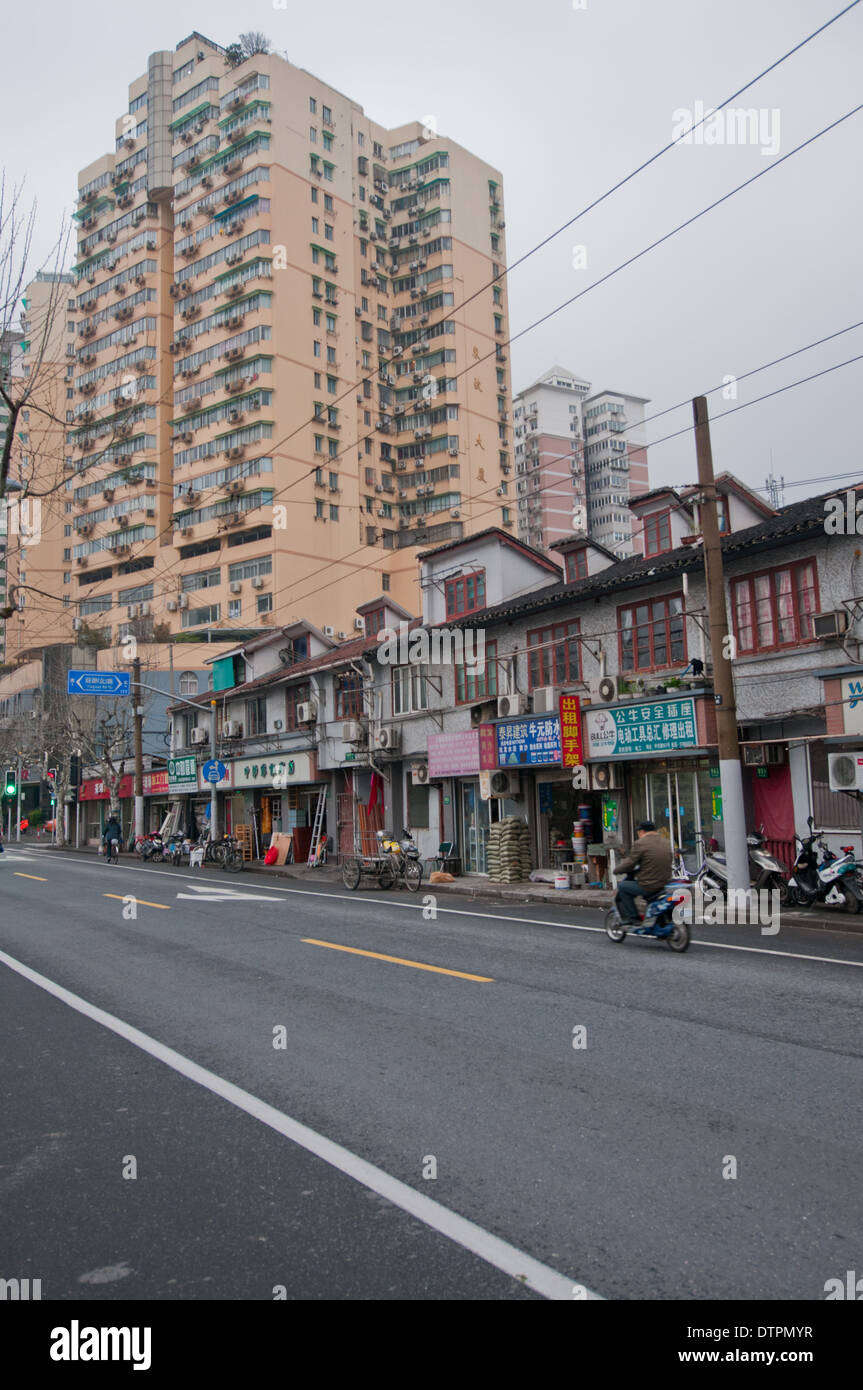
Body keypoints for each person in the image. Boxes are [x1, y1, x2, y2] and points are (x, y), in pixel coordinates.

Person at [614, 820, 673, 925]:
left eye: (638, 832)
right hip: (664, 883)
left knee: (623, 886)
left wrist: (617, 869)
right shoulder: (666, 842)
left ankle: (633, 918)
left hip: (649, 885)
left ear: (642, 832)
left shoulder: (640, 843)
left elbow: (630, 863)